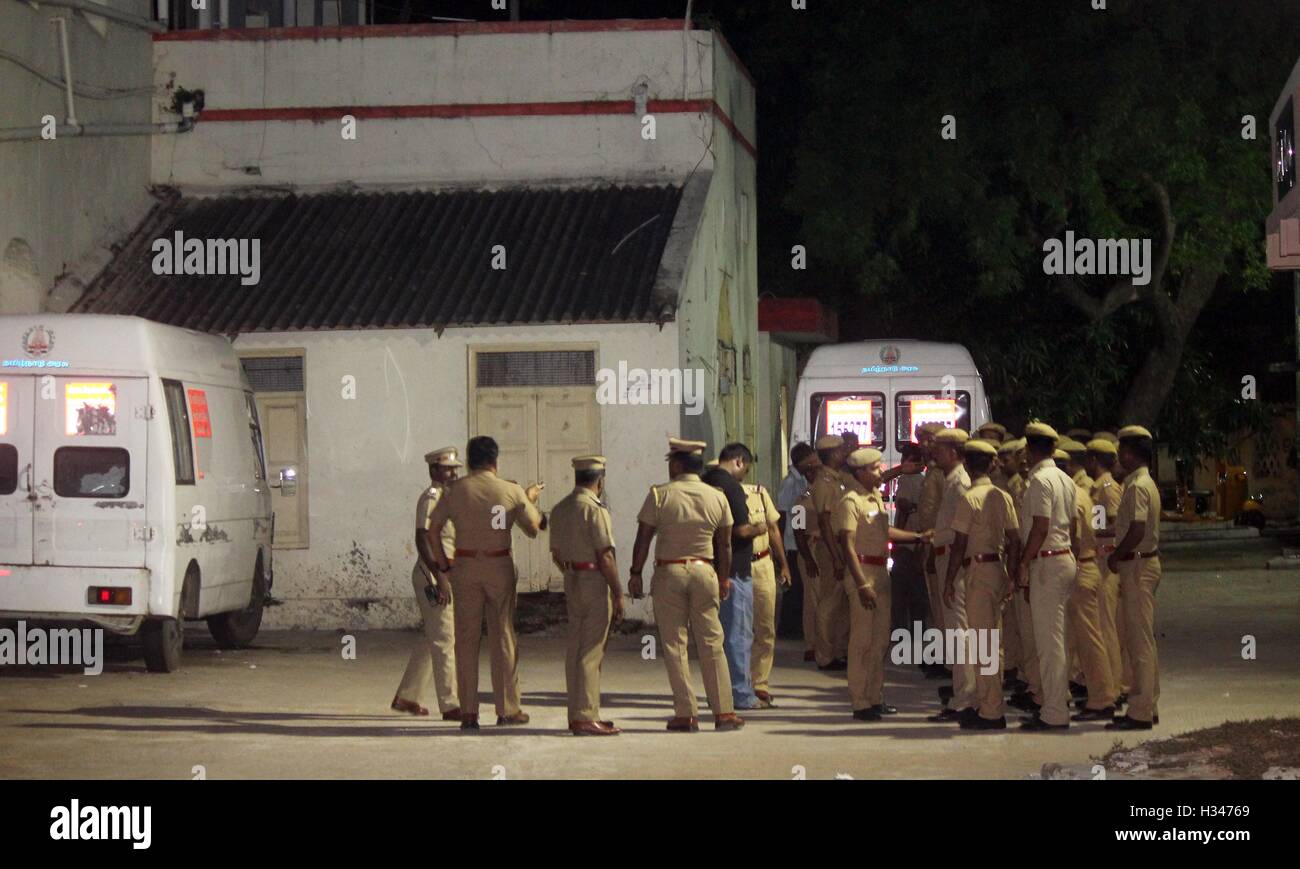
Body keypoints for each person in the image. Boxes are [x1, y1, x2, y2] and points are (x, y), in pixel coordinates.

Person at [427, 436, 544, 730]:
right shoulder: (510, 489)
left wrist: (444, 564)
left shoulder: (455, 491)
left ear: (469, 460)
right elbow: (534, 528)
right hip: (498, 566)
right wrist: (528, 499)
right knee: (502, 637)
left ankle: (468, 713)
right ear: (495, 460)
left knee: (465, 640)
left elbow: (432, 531)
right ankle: (507, 709)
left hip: (464, 567)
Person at [629, 438, 744, 732]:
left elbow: (644, 536)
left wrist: (635, 572)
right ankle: (724, 713)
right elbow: (725, 544)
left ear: (677, 465)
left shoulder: (660, 495)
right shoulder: (716, 496)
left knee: (674, 645)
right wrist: (724, 577)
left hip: (670, 573)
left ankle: (687, 714)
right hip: (705, 571)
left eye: (671, 462)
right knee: (712, 643)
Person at [836, 447, 931, 720]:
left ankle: (875, 696)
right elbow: (848, 546)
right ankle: (860, 701)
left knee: (880, 641)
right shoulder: (850, 502)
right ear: (862, 472)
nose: (880, 472)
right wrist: (862, 584)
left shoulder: (873, 497)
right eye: (876, 468)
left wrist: (918, 537)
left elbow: (885, 531)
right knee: (862, 641)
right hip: (863, 573)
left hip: (880, 572)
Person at [944, 440, 1020, 730]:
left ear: (966, 464)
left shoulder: (969, 498)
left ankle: (991, 711)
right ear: (992, 465)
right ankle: (988, 701)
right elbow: (1015, 540)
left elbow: (959, 544)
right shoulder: (1003, 496)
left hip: (976, 570)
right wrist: (1011, 575)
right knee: (993, 641)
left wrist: (949, 581)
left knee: (983, 643)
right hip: (997, 568)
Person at [549, 455, 625, 736]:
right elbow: (605, 556)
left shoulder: (560, 509)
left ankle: (578, 713)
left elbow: (555, 553)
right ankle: (585, 716)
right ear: (600, 480)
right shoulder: (596, 510)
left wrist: (571, 570)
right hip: (594, 580)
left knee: (576, 648)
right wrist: (618, 592)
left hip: (572, 579)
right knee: (592, 651)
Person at [1014, 422, 1078, 731]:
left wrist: (1024, 562)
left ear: (1030, 449)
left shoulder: (1039, 480)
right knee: (1059, 639)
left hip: (1047, 562)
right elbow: (1072, 526)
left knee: (1048, 643)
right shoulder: (1065, 479)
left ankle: (1053, 712)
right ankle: (1057, 700)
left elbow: (1040, 526)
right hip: (1064, 558)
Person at [391, 447, 462, 721]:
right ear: (433, 470)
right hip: (432, 575)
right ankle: (450, 704)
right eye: (447, 468)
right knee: (444, 639)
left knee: (433, 637)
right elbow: (423, 539)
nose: (453, 472)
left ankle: (407, 697)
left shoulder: (450, 498)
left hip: (446, 573)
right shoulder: (431, 498)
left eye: (455, 468)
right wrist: (440, 577)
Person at [1106, 425, 1162, 731]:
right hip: (1141, 564)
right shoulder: (1141, 482)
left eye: (1120, 451)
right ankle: (1147, 704)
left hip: (1138, 565)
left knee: (1139, 641)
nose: (1118, 456)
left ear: (1128, 453)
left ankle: (1140, 711)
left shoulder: (1138, 486)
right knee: (1143, 640)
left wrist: (1116, 555)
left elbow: (1137, 529)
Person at [703, 443, 765, 710]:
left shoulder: (704, 483)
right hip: (735, 570)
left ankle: (719, 691)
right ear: (738, 461)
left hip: (707, 567)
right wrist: (759, 527)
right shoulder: (731, 488)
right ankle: (741, 694)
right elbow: (739, 531)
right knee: (738, 634)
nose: (744, 475)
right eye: (745, 469)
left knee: (715, 636)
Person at [1062, 439, 1118, 721]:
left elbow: (1098, 530)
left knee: (1093, 636)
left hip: (1089, 565)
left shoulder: (1089, 491)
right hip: (1090, 564)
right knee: (1084, 636)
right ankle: (1096, 693)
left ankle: (1103, 698)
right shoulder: (1085, 492)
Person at [925, 427, 973, 722]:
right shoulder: (950, 481)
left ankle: (965, 697)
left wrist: (932, 538)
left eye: (940, 449)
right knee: (955, 633)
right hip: (946, 558)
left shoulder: (960, 485)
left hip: (954, 562)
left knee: (960, 633)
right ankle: (961, 691)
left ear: (954, 453)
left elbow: (959, 534)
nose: (935, 453)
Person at [1085, 437, 1127, 705]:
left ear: (1094, 460)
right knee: (1104, 625)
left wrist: (1088, 531)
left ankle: (1114, 686)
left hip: (1106, 560)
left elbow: (1115, 525)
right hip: (1101, 559)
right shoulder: (1101, 487)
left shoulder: (1108, 488)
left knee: (1107, 627)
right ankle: (1112, 684)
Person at [745, 472, 791, 707]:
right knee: (737, 630)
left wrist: (784, 565)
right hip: (737, 566)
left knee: (765, 627)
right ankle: (738, 683)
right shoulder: (718, 495)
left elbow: (773, 530)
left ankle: (760, 683)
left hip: (762, 564)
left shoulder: (759, 494)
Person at [810, 434, 850, 670]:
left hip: (842, 544)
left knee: (842, 602)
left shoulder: (839, 479)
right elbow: (824, 524)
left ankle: (838, 649)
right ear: (833, 454)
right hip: (831, 546)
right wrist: (835, 557)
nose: (844, 453)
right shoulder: (824, 483)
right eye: (842, 450)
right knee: (830, 602)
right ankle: (825, 655)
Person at [777, 443, 818, 660]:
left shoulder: (806, 481)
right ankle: (790, 629)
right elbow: (783, 515)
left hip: (800, 541)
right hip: (794, 542)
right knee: (796, 590)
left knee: (800, 591)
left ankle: (796, 628)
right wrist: (781, 549)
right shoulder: (791, 483)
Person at [891, 441, 931, 635]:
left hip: (907, 542)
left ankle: (901, 632)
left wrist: (896, 542)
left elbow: (904, 508)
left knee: (900, 592)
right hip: (920, 540)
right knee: (918, 591)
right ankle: (919, 630)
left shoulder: (907, 480)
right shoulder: (923, 479)